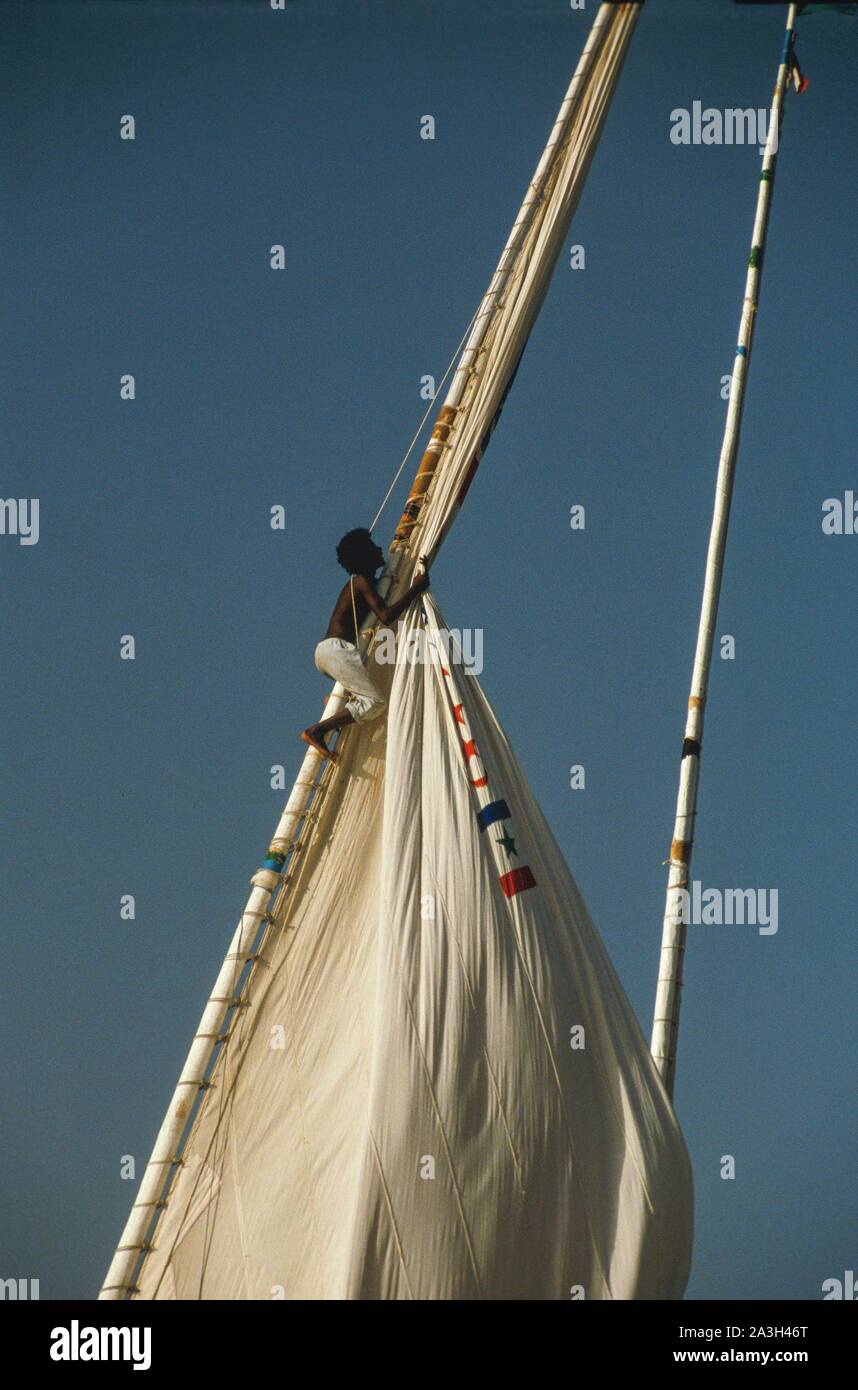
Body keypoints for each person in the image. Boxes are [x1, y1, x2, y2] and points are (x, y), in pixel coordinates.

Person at [300, 528, 430, 761]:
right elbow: (386, 615)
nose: (380, 550)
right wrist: (416, 588)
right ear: (364, 557)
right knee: (375, 702)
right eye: (373, 548)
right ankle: (317, 731)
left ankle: (338, 707)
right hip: (337, 651)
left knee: (365, 694)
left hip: (329, 652)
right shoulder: (360, 582)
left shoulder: (365, 582)